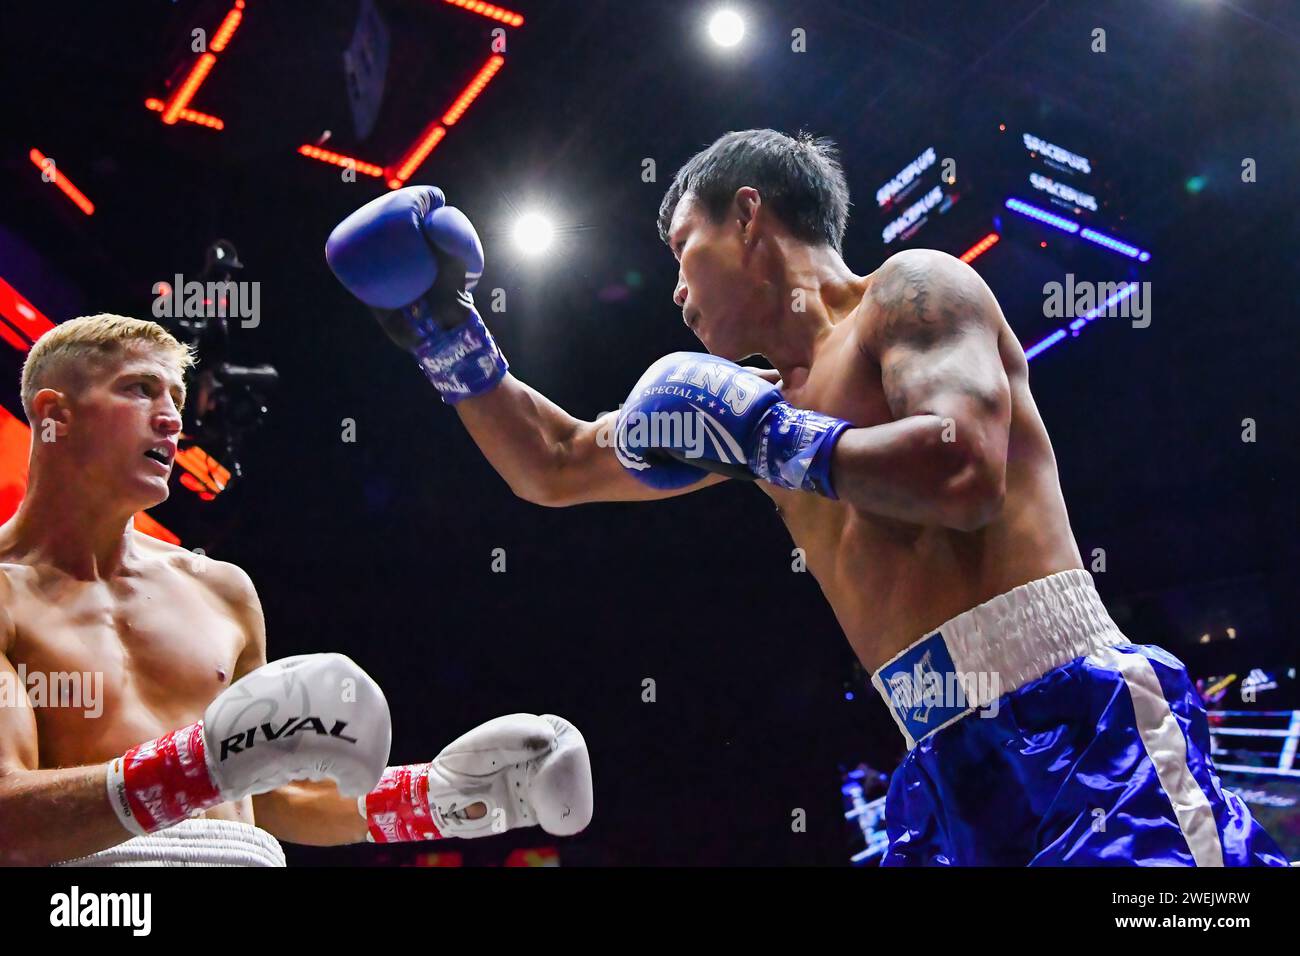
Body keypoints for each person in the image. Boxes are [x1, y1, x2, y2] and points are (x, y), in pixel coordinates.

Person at [325, 129, 1285, 866]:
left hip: (1078, 716)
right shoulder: (754, 413)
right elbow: (555, 463)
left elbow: (963, 473)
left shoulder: (910, 293)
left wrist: (771, 439)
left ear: (749, 217)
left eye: (681, 245)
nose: (674, 293)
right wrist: (444, 333)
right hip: (940, 756)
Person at [0, 314, 593, 866]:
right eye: (139, 390)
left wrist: (444, 795)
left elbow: (269, 792)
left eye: (176, 399)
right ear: (57, 413)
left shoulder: (221, 591)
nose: (172, 418)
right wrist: (196, 767)